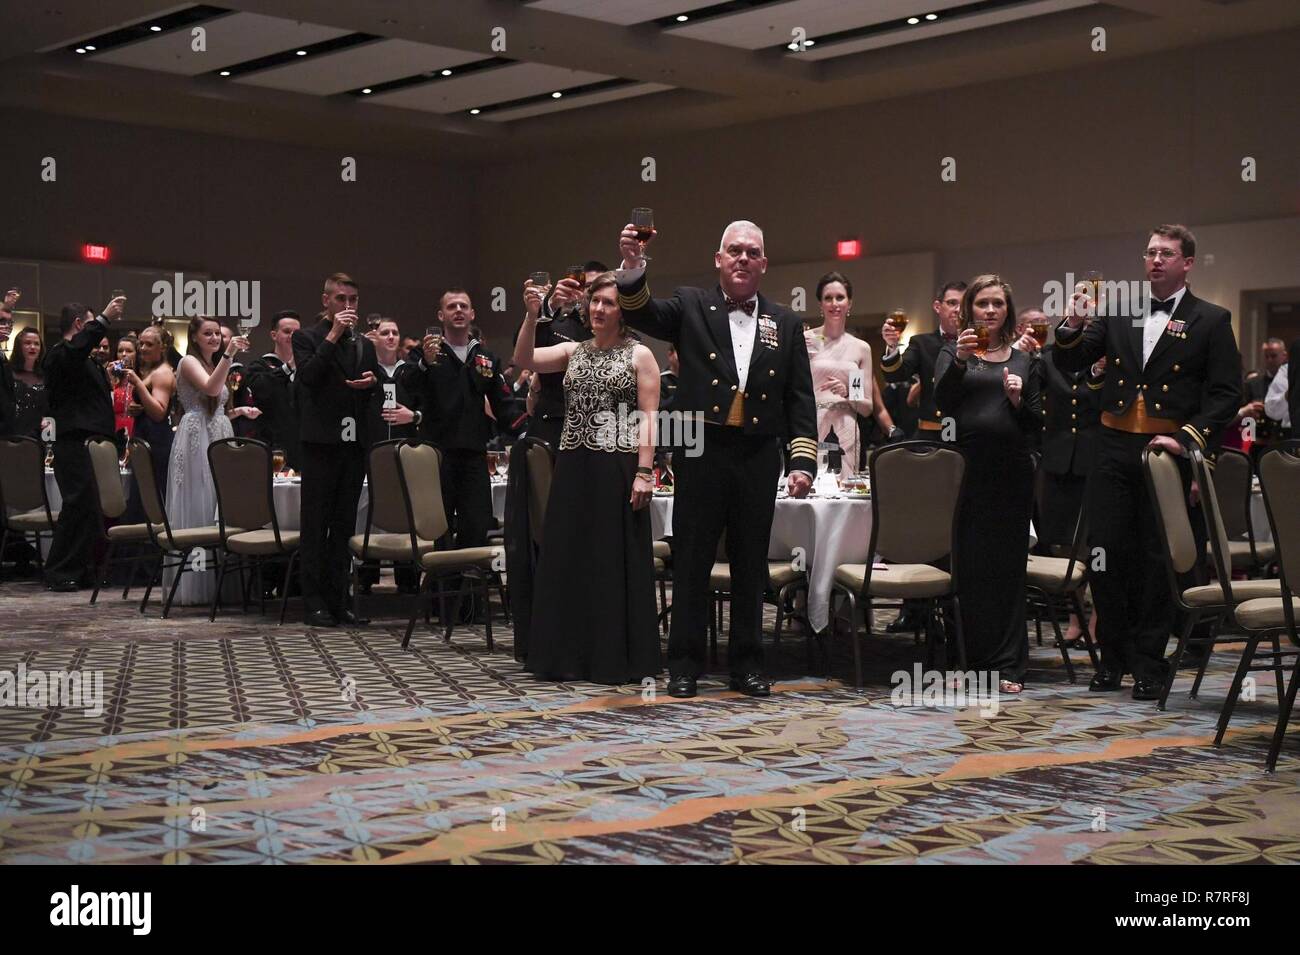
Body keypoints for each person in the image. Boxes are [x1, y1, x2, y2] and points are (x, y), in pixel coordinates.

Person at [615, 219, 817, 698]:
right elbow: (641, 312)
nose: (743, 258)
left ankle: (747, 664)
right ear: (719, 259)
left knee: (751, 563)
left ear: (764, 263)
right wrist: (631, 266)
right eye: (734, 251)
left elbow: (799, 398)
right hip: (700, 447)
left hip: (758, 453)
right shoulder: (689, 304)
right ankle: (683, 664)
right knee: (692, 559)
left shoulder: (785, 321)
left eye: (752, 252)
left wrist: (802, 461)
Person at [1052, 224, 1241, 699]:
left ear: (1187, 264)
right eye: (1150, 252)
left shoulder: (1211, 320)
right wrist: (1073, 324)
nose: (1155, 260)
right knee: (1107, 552)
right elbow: (1072, 361)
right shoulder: (1120, 311)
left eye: (1166, 253)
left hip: (1164, 452)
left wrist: (1187, 438)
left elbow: (1224, 394)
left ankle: (1150, 662)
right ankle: (1111, 657)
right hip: (1113, 446)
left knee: (1157, 559)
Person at [512, 272, 662, 683]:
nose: (598, 309)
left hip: (617, 467)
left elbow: (650, 418)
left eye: (609, 303)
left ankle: (612, 658)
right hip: (574, 465)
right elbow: (524, 359)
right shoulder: (571, 351)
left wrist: (645, 472)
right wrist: (531, 316)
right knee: (568, 559)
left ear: (623, 311)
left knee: (609, 562)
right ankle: (568, 656)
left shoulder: (640, 355)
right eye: (594, 302)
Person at [934, 275, 1042, 693]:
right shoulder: (954, 352)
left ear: (1007, 311)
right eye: (983, 304)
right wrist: (960, 362)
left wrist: (1017, 401)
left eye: (998, 303)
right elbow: (942, 403)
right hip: (967, 472)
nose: (991, 310)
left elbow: (1035, 423)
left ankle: (1009, 665)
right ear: (970, 310)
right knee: (972, 568)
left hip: (1012, 473)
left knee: (1008, 570)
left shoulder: (1023, 358)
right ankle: (972, 661)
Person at [292, 272, 379, 628]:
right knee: (316, 524)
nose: (348, 307)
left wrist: (371, 383)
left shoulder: (364, 344)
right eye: (341, 299)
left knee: (343, 525)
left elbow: (374, 386)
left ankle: (339, 599)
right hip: (319, 444)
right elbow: (308, 377)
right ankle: (312, 602)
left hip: (352, 443)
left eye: (353, 300)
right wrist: (332, 335)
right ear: (326, 300)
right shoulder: (306, 337)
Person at [415, 289, 514, 553]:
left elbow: (504, 406)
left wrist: (524, 433)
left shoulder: (486, 358)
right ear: (441, 315)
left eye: (463, 306)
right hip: (438, 456)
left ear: (472, 314)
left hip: (474, 455)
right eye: (451, 306)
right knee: (441, 531)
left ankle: (472, 594)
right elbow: (409, 391)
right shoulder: (425, 354)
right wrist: (424, 364)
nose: (458, 310)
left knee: (476, 528)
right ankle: (441, 593)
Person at [1032, 305, 1105, 645]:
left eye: (1087, 322)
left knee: (1095, 545)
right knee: (1064, 545)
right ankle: (1075, 618)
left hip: (1096, 460)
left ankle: (1097, 621)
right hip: (1058, 461)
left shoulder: (1108, 358)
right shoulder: (1048, 358)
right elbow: (1033, 399)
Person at [162, 317, 248, 605]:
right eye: (207, 333)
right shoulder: (188, 362)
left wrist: (238, 412)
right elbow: (210, 390)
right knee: (199, 500)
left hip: (219, 432)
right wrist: (230, 354)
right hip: (196, 437)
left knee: (219, 503)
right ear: (195, 337)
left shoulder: (213, 364)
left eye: (216, 334)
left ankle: (220, 582)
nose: (214, 338)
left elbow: (216, 404)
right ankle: (197, 586)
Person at [43, 298, 123, 591]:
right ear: (79, 325)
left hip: (91, 441)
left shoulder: (82, 358)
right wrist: (103, 319)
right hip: (74, 442)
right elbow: (75, 351)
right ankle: (59, 570)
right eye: (88, 325)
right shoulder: (60, 354)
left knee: (90, 507)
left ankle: (81, 568)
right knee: (78, 505)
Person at [806, 271, 903, 477]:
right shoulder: (807, 340)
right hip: (811, 426)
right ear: (820, 304)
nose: (834, 303)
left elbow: (866, 407)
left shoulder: (860, 348)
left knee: (843, 491)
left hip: (846, 426)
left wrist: (848, 393)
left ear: (849, 303)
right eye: (828, 298)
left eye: (840, 297)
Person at [526, 263, 602, 446]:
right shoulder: (557, 324)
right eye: (587, 287)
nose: (592, 294)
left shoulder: (626, 338)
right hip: (552, 427)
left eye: (599, 288)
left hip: (600, 432)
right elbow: (524, 353)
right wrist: (550, 304)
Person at [881, 281, 967, 435]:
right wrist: (892, 347)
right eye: (952, 303)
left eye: (964, 304)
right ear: (937, 306)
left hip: (969, 434)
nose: (958, 309)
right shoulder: (921, 343)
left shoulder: (980, 344)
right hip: (932, 434)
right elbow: (896, 375)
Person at [123, 325, 176, 503]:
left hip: (156, 442)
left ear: (162, 348)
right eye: (141, 344)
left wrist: (138, 384)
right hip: (145, 436)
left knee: (150, 496)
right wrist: (137, 407)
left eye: (149, 345)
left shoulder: (162, 373)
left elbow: (159, 412)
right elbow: (149, 405)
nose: (143, 348)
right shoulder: (150, 370)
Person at [245, 310, 302, 471]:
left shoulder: (308, 366)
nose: (292, 336)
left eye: (296, 333)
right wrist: (288, 367)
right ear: (273, 335)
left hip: (302, 446)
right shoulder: (259, 365)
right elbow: (262, 391)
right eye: (286, 332)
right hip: (273, 446)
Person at [9, 325, 47, 439]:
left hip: (39, 437)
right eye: (27, 343)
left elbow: (51, 411)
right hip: (10, 434)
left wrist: (50, 442)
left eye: (36, 344)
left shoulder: (47, 375)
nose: (32, 347)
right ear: (19, 347)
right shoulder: (7, 373)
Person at [109, 335, 139, 445]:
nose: (124, 354)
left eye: (129, 351)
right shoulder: (113, 378)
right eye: (120, 351)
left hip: (135, 428)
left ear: (137, 354)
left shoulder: (143, 378)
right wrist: (109, 377)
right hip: (114, 428)